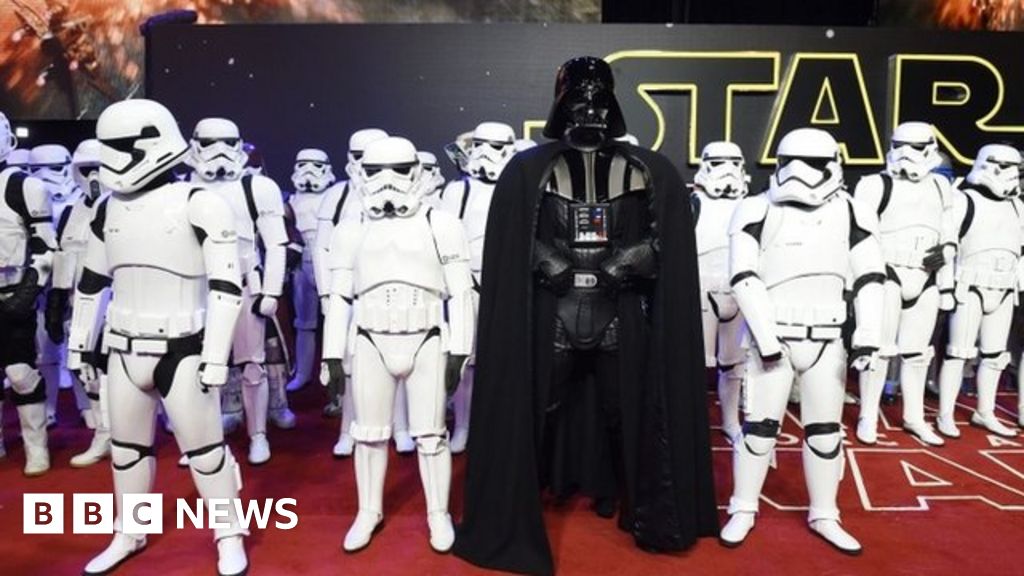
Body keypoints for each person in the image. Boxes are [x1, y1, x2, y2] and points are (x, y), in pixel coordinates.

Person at [454, 56, 718, 575]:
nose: (590, 108)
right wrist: (547, 263)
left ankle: (636, 502)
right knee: (539, 407)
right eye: (579, 99)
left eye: (599, 99)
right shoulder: (529, 172)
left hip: (616, 309)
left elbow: (665, 241)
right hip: (555, 310)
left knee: (627, 412)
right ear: (559, 104)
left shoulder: (648, 170)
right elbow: (512, 244)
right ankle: (523, 502)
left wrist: (630, 261)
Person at [69, 99, 248, 575]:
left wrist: (215, 356)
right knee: (126, 451)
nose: (111, 160)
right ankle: (130, 531)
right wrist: (79, 344)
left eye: (121, 148)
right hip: (123, 346)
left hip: (183, 346)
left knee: (205, 452)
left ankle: (229, 532)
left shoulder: (200, 202)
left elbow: (228, 287)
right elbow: (91, 282)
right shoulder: (108, 209)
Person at [719, 127, 884, 555]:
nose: (797, 174)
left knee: (826, 433)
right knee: (759, 430)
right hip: (774, 337)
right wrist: (768, 337)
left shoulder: (854, 212)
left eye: (812, 164)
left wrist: (868, 334)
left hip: (828, 337)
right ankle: (743, 506)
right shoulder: (755, 209)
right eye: (787, 162)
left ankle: (825, 512)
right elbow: (743, 275)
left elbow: (870, 277)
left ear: (833, 166)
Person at [320, 136, 475, 553]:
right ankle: (368, 509)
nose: (387, 182)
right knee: (369, 434)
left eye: (398, 171)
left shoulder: (439, 223)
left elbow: (461, 292)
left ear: (417, 172)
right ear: (360, 173)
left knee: (430, 435)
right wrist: (332, 354)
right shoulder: (351, 229)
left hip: (426, 335)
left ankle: (437, 513)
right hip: (370, 337)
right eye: (375, 171)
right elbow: (339, 295)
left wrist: (461, 347)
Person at [189, 117, 288, 464]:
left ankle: (257, 433)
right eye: (210, 143)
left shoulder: (257, 188)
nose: (220, 153)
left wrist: (270, 291)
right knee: (199, 365)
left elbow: (276, 244)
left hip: (246, 286)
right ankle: (204, 438)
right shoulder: (184, 187)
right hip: (198, 287)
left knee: (252, 365)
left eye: (228, 143)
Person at [853, 122, 954, 446]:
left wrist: (945, 265)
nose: (906, 153)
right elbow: (860, 237)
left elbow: (948, 234)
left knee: (917, 353)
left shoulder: (941, 186)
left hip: (925, 276)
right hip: (887, 272)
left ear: (931, 147)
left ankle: (914, 416)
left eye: (915, 146)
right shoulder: (874, 184)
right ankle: (868, 415)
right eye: (900, 145)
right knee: (879, 351)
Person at [438, 121, 518, 453]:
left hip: (508, 282)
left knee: (508, 360)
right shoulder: (458, 191)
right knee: (464, 358)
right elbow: (444, 236)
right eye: (479, 145)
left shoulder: (519, 187)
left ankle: (503, 427)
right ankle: (464, 425)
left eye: (495, 147)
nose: (485, 154)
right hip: (466, 281)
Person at [936, 144, 1023, 439]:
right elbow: (947, 247)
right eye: (1007, 167)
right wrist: (946, 287)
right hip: (969, 284)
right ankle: (945, 413)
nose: (1013, 175)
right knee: (958, 353)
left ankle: (985, 410)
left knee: (994, 355)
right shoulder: (963, 200)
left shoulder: (1017, 206)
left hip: (1004, 286)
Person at [46, 138, 112, 466]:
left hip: (122, 305)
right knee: (89, 373)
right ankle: (104, 433)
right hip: (82, 305)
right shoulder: (72, 211)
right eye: (89, 169)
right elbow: (64, 258)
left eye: (102, 167)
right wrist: (58, 303)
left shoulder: (126, 207)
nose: (96, 176)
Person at [0, 111, 57, 475]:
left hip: (11, 293)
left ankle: (37, 447)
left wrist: (29, 289)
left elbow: (46, 247)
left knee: (21, 372)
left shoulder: (23, 186)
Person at [690, 140, 750, 443]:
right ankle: (693, 423)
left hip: (738, 289)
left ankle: (729, 420)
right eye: (718, 163)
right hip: (701, 287)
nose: (726, 171)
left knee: (734, 363)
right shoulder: (694, 203)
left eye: (733, 163)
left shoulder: (752, 204)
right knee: (696, 362)